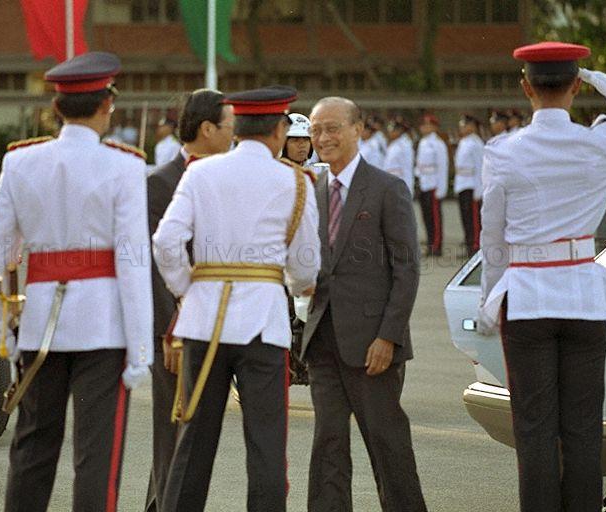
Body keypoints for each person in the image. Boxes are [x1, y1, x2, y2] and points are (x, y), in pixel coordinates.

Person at [0, 52, 153, 512]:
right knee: (98, 455)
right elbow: (133, 262)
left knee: (33, 448)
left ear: (57, 108)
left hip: (39, 322)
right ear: (106, 105)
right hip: (103, 325)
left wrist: (1, 331)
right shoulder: (125, 165)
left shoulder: (20, 161)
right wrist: (140, 349)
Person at [153, 86, 320, 512]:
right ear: (279, 130)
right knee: (266, 447)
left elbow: (166, 243)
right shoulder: (296, 182)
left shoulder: (200, 173)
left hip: (203, 323)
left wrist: (189, 290)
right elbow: (305, 267)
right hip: (264, 325)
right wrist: (293, 282)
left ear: (238, 128)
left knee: (193, 444)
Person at [479, 42, 606, 512]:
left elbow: (492, 237)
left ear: (526, 88)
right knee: (583, 430)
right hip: (583, 297)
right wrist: (605, 83)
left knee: (535, 430)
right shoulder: (603, 145)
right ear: (576, 86)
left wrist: (488, 301)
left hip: (527, 299)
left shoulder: (503, 151)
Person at [303, 96, 426, 512]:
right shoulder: (313, 191)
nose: (323, 137)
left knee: (388, 445)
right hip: (323, 343)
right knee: (328, 446)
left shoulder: (387, 188)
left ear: (357, 130)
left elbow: (407, 270)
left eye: (332, 128)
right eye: (316, 130)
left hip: (373, 345)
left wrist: (388, 337)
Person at [144, 88, 234, 512]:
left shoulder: (228, 177)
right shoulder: (160, 183)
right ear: (207, 129)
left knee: (189, 430)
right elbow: (152, 263)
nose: (235, 135)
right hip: (175, 329)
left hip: (224, 321)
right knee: (174, 427)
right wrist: (172, 330)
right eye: (230, 126)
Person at [415, 114, 449, 257]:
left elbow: (442, 166)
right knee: (426, 216)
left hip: (434, 183)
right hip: (423, 183)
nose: (424, 128)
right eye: (423, 125)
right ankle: (430, 244)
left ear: (435, 127)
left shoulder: (438, 144)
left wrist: (442, 188)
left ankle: (436, 245)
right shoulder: (422, 142)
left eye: (427, 125)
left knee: (435, 218)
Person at [453, 114, 485, 256]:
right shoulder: (463, 142)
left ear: (472, 126)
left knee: (474, 220)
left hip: (472, 185)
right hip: (462, 184)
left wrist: (479, 189)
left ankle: (475, 247)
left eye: (465, 125)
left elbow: (480, 167)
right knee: (465, 218)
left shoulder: (476, 143)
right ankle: (468, 245)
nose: (462, 128)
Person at [382, 117, 415, 196]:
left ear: (399, 131)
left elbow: (407, 169)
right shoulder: (393, 144)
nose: (389, 133)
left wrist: (408, 189)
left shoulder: (405, 145)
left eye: (392, 130)